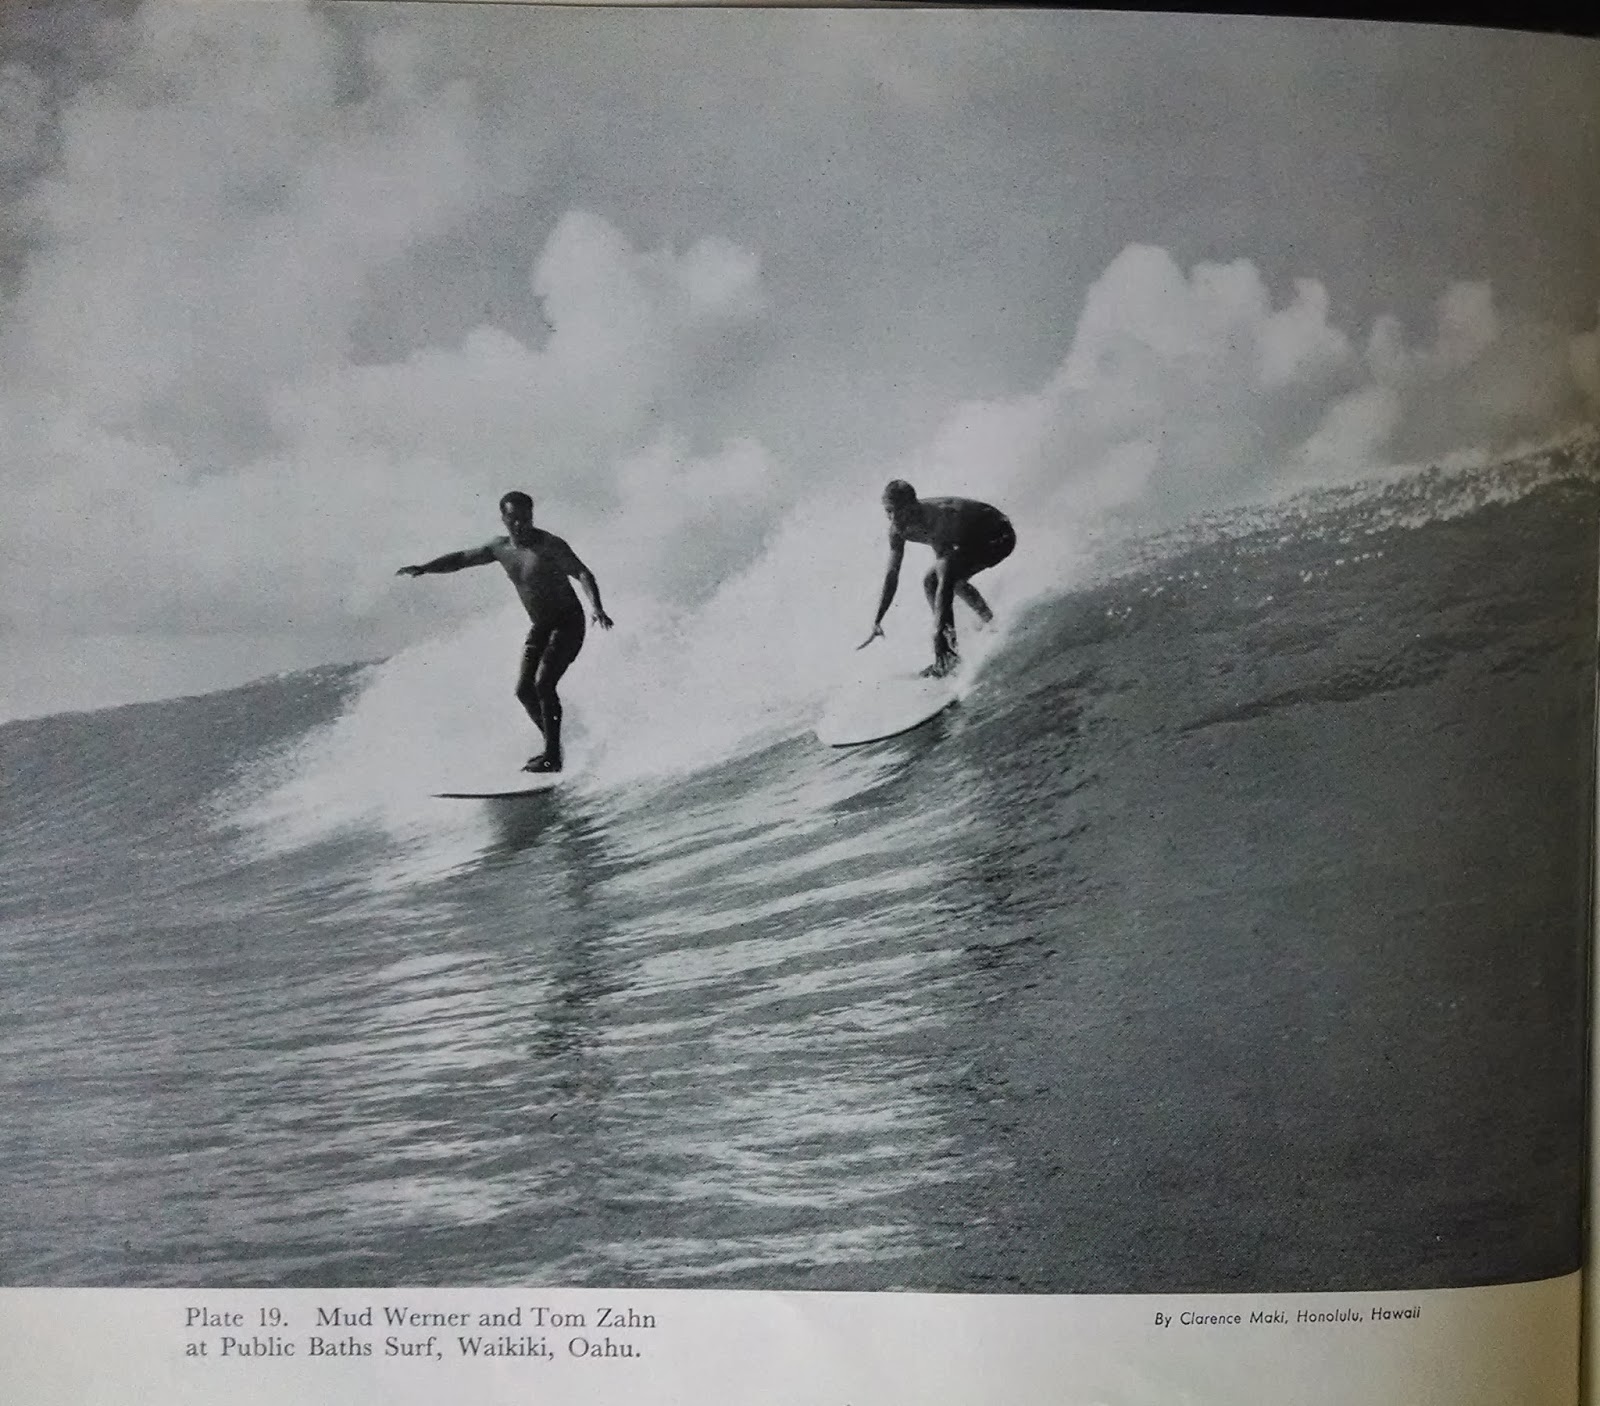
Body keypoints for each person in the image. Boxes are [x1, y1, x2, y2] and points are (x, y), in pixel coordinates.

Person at [397, 491, 612, 772]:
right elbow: (462, 559)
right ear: (504, 519)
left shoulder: (549, 545)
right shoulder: (499, 549)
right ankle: (554, 749)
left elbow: (582, 573)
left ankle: (552, 757)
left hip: (569, 623)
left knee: (544, 684)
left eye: (526, 519)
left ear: (532, 516)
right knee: (524, 691)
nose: (520, 526)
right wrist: (425, 568)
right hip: (542, 626)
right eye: (514, 520)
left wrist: (596, 607)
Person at [859, 479, 1015, 677]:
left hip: (999, 535)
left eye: (897, 511)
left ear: (912, 506)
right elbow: (892, 574)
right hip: (970, 541)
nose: (892, 518)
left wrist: (938, 633)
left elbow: (946, 581)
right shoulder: (897, 529)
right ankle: (988, 625)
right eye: (888, 511)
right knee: (939, 579)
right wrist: (878, 618)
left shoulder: (939, 517)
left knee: (939, 580)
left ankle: (951, 654)